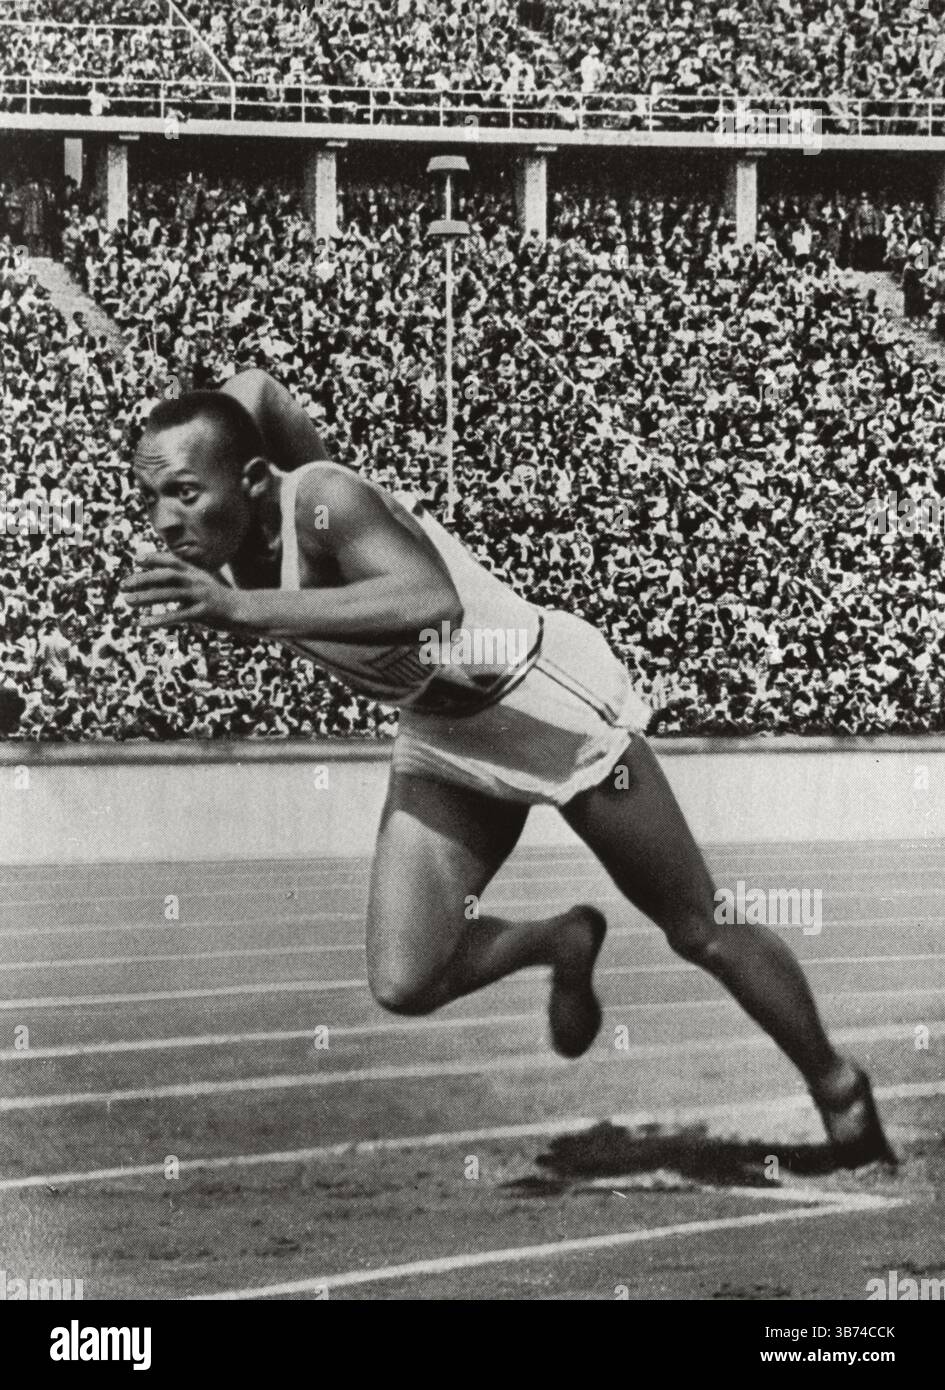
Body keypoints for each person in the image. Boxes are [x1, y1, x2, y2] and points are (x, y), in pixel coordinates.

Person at [121, 367, 895, 1169]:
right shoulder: (231, 533)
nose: (165, 520)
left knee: (699, 928)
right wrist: (217, 465)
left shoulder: (325, 505)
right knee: (406, 977)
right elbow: (251, 390)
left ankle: (838, 1089)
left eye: (183, 492)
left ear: (249, 478)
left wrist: (244, 607)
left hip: (541, 704)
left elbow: (431, 600)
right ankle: (558, 941)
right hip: (443, 736)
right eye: (152, 499)